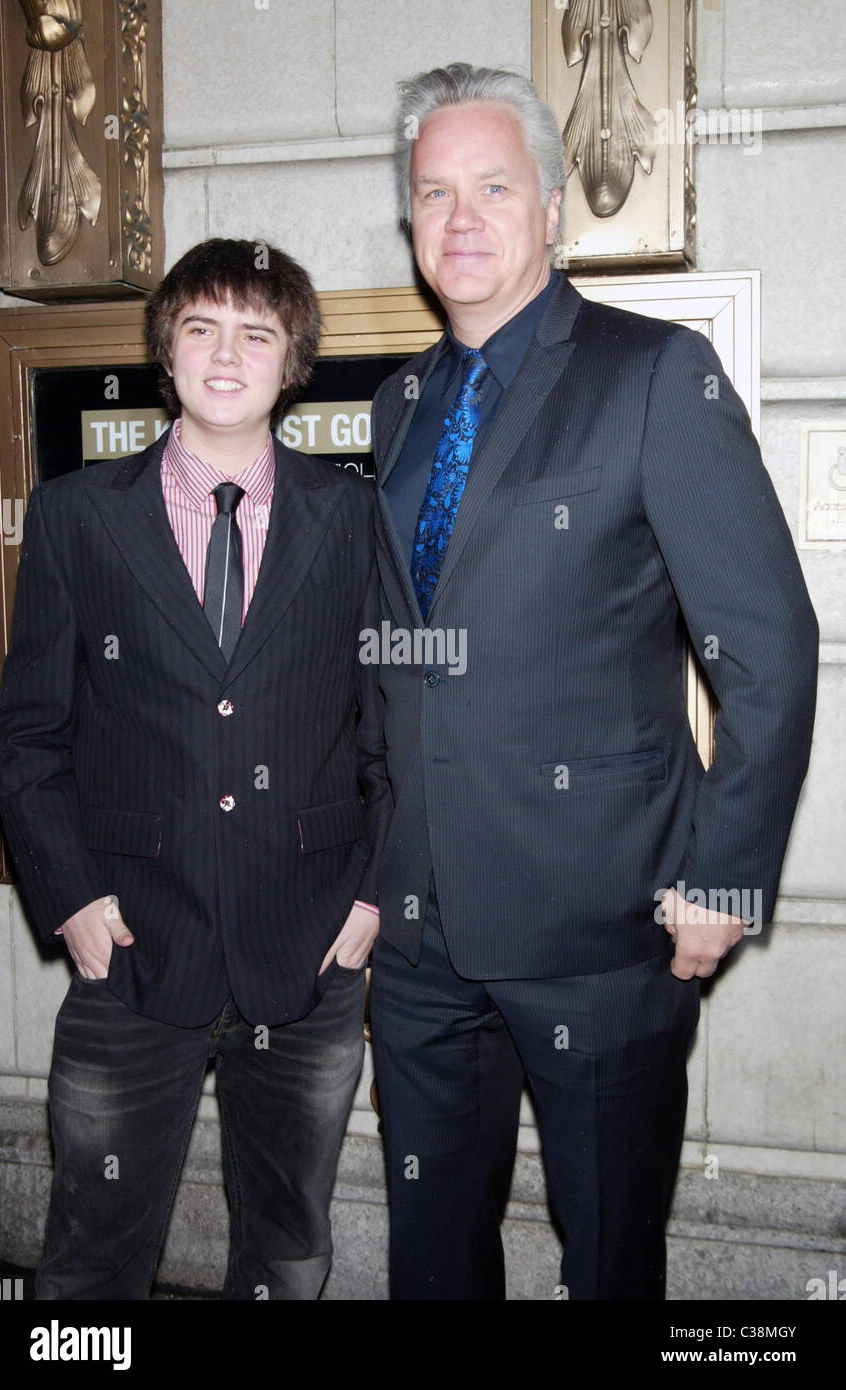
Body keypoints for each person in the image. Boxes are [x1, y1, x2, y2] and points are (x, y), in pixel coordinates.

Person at [367, 63, 818, 1300]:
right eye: (431, 192)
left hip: (601, 929)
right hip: (419, 945)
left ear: (553, 207)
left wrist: (724, 878)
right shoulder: (398, 402)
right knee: (431, 1264)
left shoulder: (651, 377)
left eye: (491, 187)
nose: (458, 219)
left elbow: (767, 648)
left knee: (609, 1259)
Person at [0, 237, 390, 1300]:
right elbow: (30, 734)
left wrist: (374, 892)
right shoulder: (77, 517)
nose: (226, 354)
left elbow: (391, 728)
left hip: (306, 951)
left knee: (290, 1240)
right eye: (201, 327)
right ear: (164, 350)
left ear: (291, 361)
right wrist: (68, 896)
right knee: (88, 1250)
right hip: (128, 948)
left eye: (255, 332)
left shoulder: (353, 520)